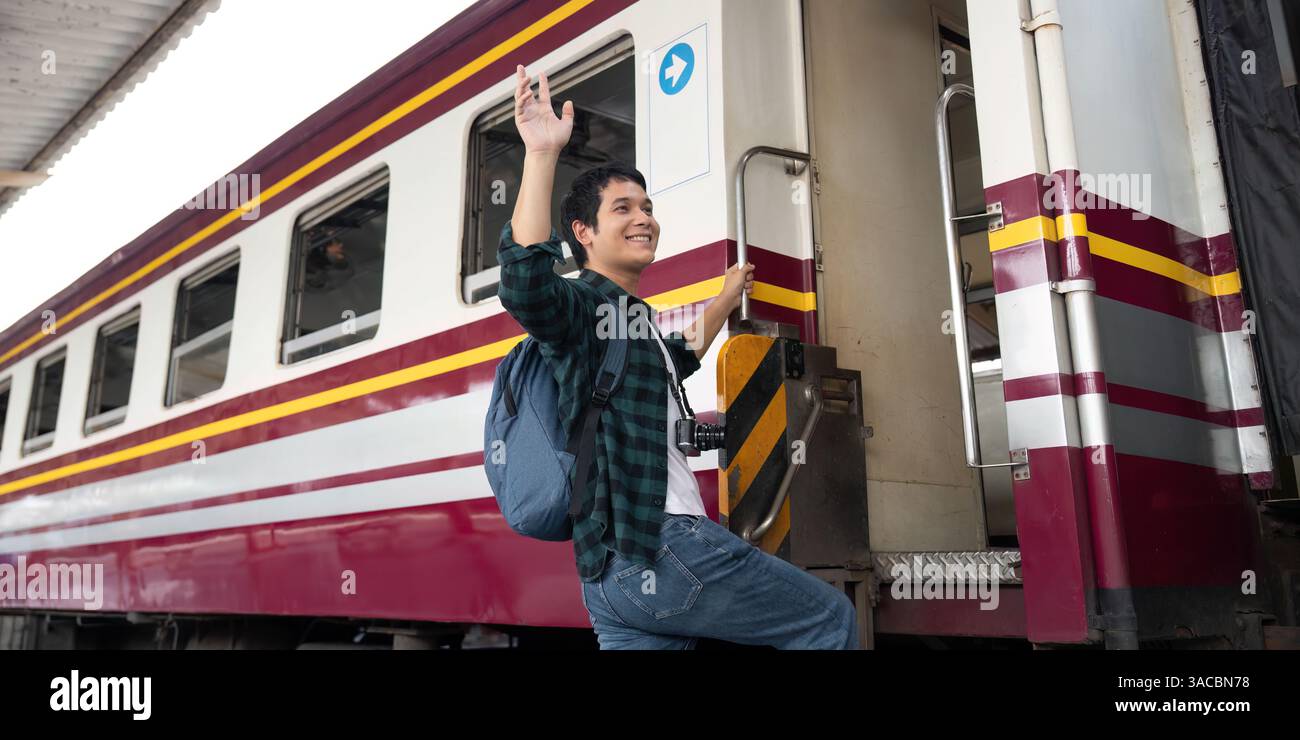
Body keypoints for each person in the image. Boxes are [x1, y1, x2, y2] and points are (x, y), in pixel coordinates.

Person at [499, 64, 858, 650]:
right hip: (661, 544)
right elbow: (526, 287)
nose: (644, 218)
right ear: (582, 233)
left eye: (646, 206)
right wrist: (540, 156)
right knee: (828, 620)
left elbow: (678, 357)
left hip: (609, 577)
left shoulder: (625, 320)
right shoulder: (579, 307)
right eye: (622, 209)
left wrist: (725, 297)